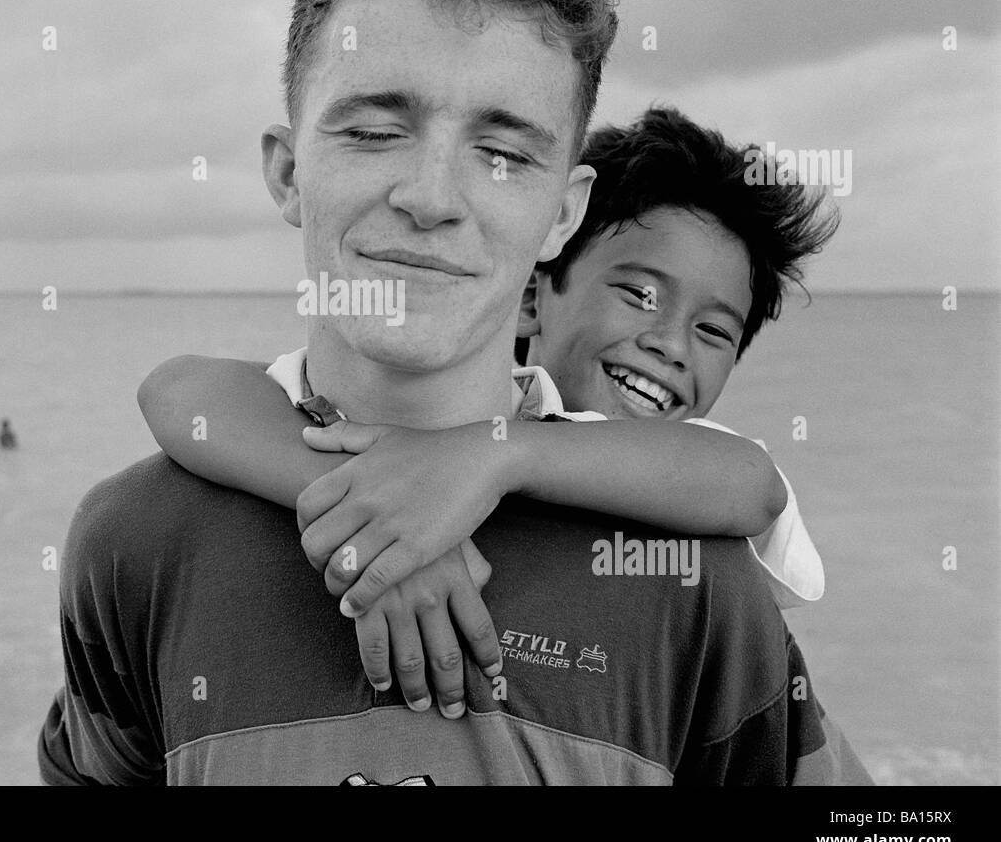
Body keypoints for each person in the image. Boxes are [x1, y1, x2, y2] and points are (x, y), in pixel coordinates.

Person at [39, 0, 866, 784]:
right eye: (373, 131)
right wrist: (371, 522)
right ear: (286, 172)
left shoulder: (696, 583)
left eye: (504, 153)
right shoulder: (136, 541)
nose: (430, 198)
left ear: (563, 214)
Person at [138, 106, 843, 698]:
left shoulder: (676, 473)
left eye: (714, 331)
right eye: (638, 294)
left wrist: (498, 460)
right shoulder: (414, 409)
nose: (671, 345)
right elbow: (176, 390)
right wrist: (385, 515)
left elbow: (754, 486)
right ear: (534, 296)